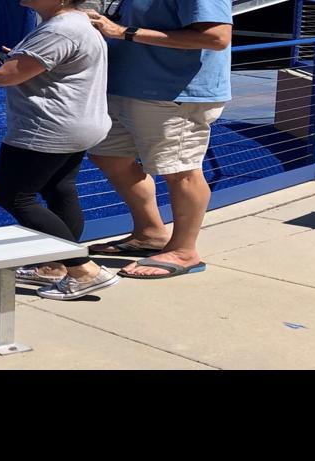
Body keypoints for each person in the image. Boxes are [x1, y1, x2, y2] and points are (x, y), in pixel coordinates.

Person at [0, 0, 118, 301]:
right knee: (60, 190)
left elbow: (5, 77)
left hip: (48, 128)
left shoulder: (60, 29)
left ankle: (84, 270)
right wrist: (15, 59)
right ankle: (55, 265)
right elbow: (43, 67)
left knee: (13, 196)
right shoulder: (78, 22)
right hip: (80, 124)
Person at [84, 0, 232, 279]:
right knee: (107, 155)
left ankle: (184, 251)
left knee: (181, 171)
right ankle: (150, 233)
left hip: (172, 93)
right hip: (125, 87)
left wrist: (123, 32)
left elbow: (217, 37)